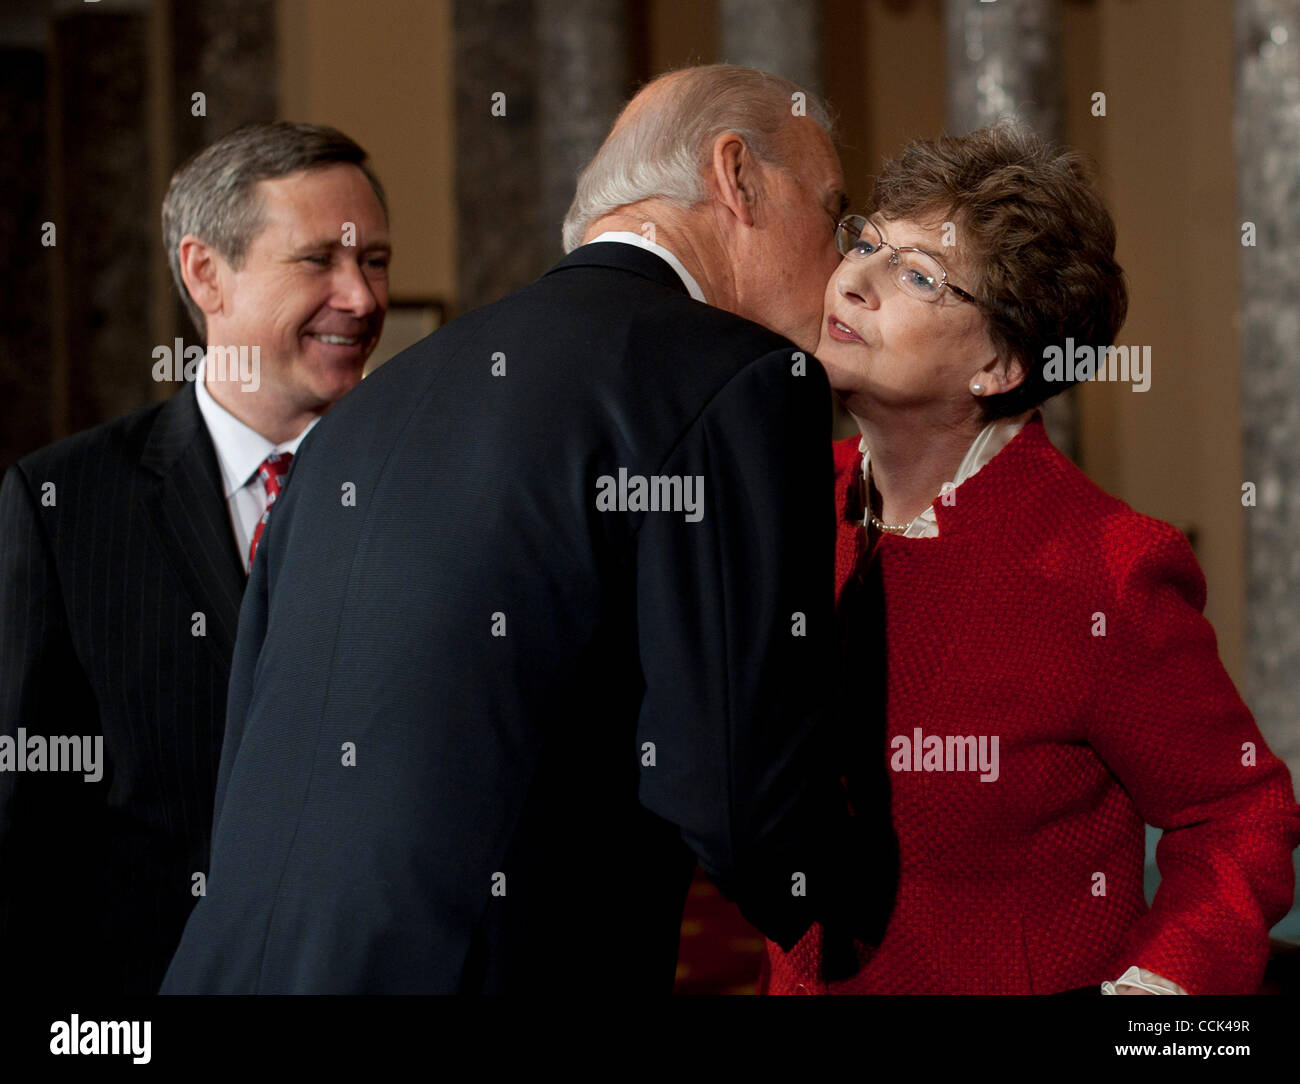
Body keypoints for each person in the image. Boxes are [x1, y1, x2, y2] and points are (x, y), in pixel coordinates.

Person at [161, 64, 896, 995]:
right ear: (736, 177)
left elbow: (256, 737)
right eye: (831, 211)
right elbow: (730, 796)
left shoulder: (369, 408)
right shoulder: (737, 377)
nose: (840, 258)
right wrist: (891, 909)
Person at [764, 123, 1300, 995]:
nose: (853, 279)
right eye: (865, 240)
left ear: (1000, 363)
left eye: (916, 275)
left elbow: (1239, 815)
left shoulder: (1109, 571)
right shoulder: (780, 506)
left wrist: (1153, 1006)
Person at [0, 122, 390, 995]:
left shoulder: (440, 489)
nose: (360, 298)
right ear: (205, 273)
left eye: (374, 262)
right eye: (319, 260)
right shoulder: (65, 504)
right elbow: (31, 827)